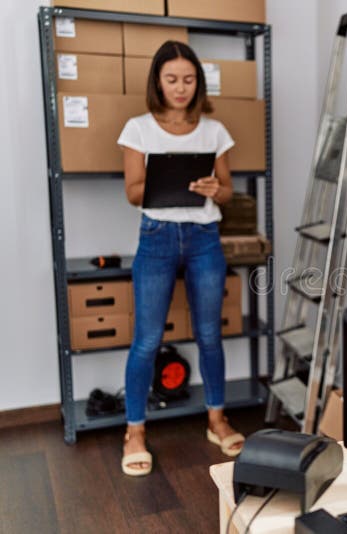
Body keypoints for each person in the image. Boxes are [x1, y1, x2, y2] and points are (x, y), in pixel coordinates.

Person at [117, 41, 244, 476]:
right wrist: (162, 179)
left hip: (205, 236)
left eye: (188, 79)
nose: (180, 87)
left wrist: (213, 189)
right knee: (147, 340)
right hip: (156, 237)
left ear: (198, 82)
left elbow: (226, 191)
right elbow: (133, 192)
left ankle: (216, 418)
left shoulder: (214, 131)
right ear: (157, 81)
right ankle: (134, 431)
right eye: (171, 79)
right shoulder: (137, 129)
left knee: (210, 334)